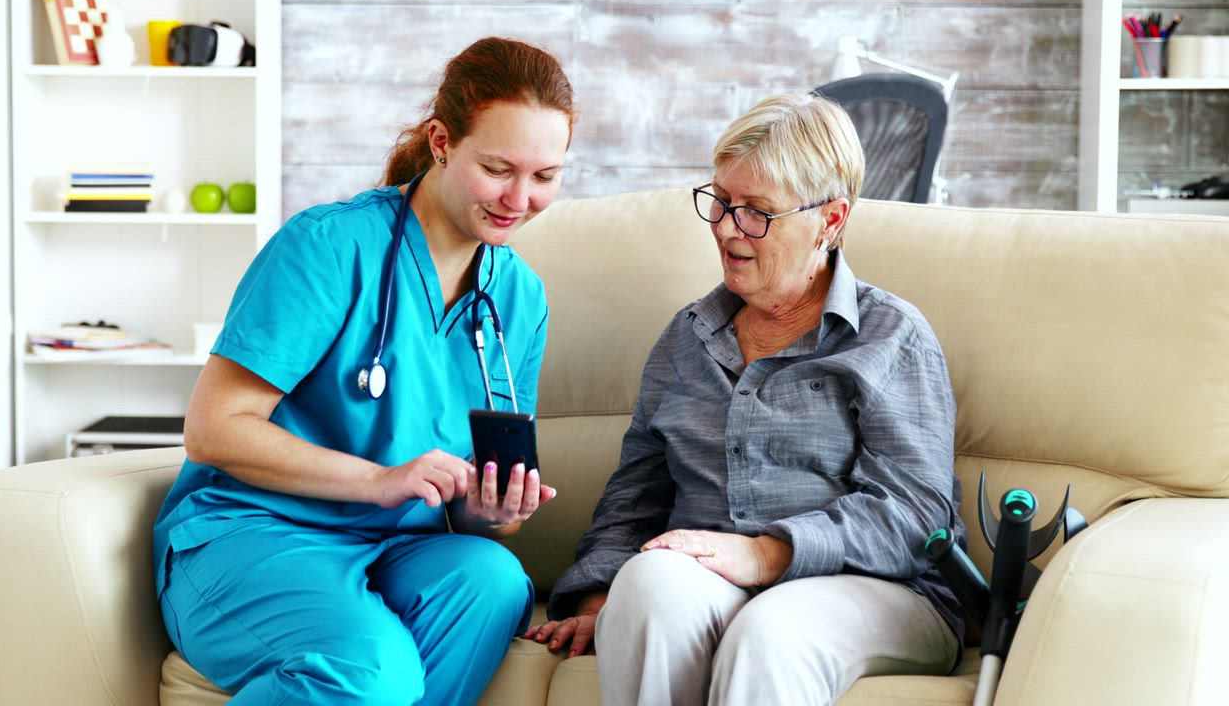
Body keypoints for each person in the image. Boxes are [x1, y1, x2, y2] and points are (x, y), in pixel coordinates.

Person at [153, 37, 574, 706]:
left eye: (545, 176)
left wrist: (492, 510)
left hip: (394, 547)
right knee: (375, 673)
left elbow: (485, 519)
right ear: (441, 141)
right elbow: (213, 429)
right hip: (255, 534)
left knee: (493, 579)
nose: (519, 198)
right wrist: (380, 480)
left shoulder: (519, 300)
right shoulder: (329, 247)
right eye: (498, 168)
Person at [524, 92, 964, 705]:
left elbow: (916, 515)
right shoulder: (688, 338)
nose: (729, 228)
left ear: (831, 220)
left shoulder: (891, 336)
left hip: (875, 589)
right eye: (722, 202)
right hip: (712, 577)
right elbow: (638, 492)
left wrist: (767, 553)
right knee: (646, 584)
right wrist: (603, 598)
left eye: (757, 211)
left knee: (770, 631)